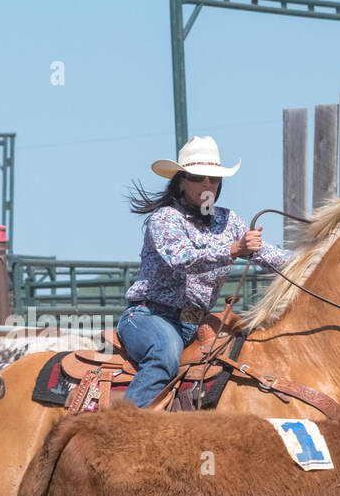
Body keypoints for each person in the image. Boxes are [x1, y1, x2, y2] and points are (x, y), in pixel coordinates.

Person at [119, 136, 289, 407]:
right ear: (181, 181)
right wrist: (234, 249)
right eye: (199, 177)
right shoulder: (165, 218)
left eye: (214, 178)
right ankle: (123, 430)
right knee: (164, 354)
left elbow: (273, 257)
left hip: (197, 323)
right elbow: (182, 259)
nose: (208, 184)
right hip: (150, 316)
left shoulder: (228, 219)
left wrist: (319, 259)